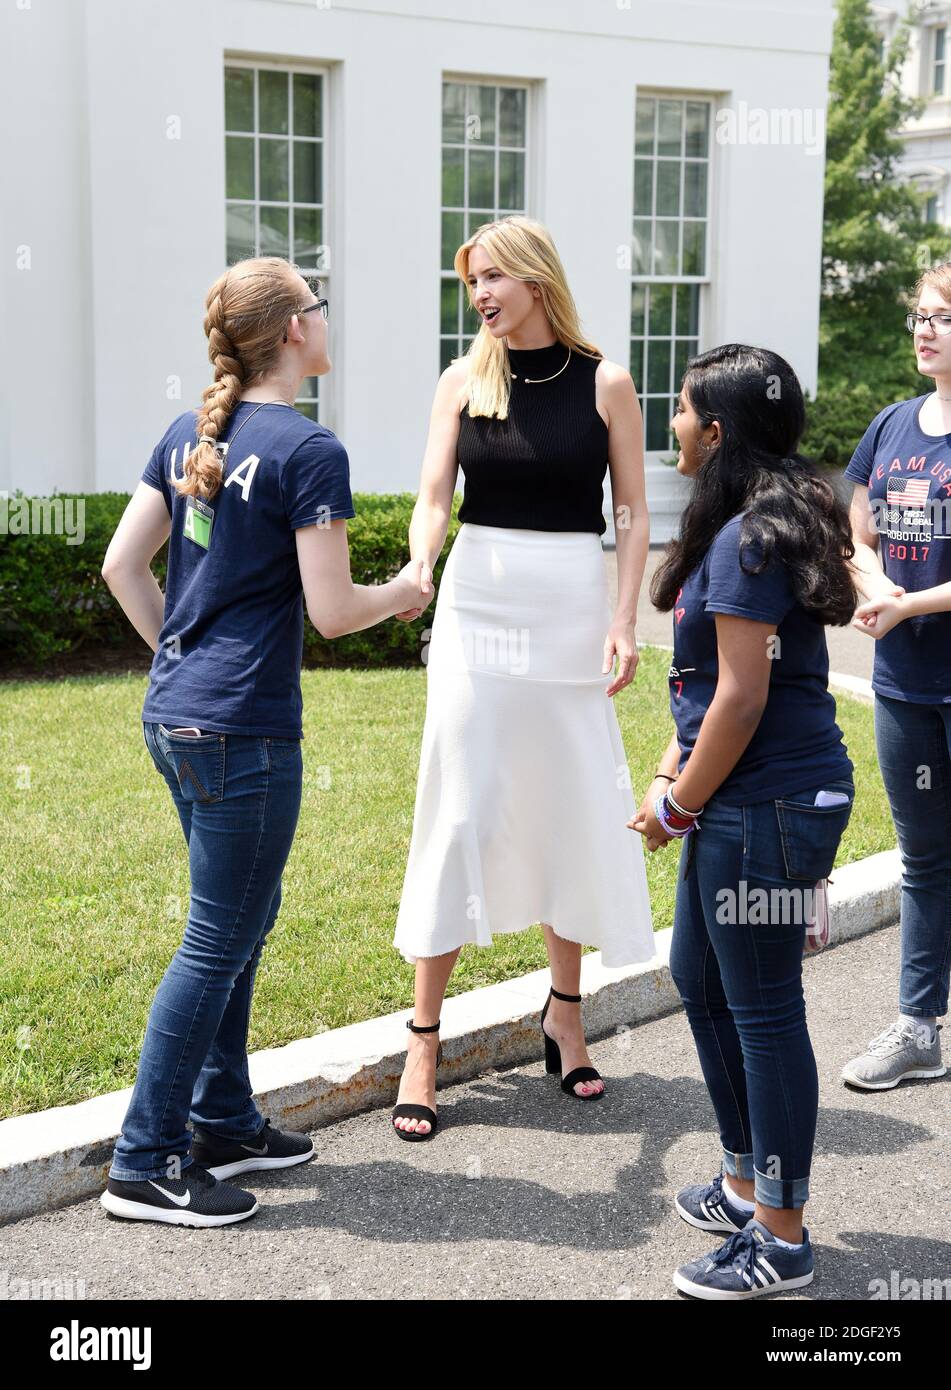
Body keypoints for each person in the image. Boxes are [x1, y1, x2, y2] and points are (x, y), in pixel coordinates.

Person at [98, 257, 429, 1226]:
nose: (329, 321)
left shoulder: (189, 432)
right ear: (293, 329)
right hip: (242, 728)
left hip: (178, 717)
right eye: (319, 307)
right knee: (217, 938)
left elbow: (124, 564)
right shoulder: (308, 449)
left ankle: (224, 1119)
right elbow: (332, 612)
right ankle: (144, 1161)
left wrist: (183, 661)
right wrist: (408, 591)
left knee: (237, 920)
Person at [389, 215, 656, 1140]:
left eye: (491, 277)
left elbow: (630, 513)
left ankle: (566, 1014)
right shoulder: (463, 381)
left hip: (572, 607)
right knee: (459, 803)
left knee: (569, 800)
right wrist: (422, 565)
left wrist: (625, 621)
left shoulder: (606, 382)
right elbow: (434, 499)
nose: (480, 297)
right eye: (469, 284)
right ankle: (422, 1037)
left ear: (537, 277)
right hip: (478, 607)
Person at [633, 344, 856, 1299]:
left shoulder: (746, 539)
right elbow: (705, 697)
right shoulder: (742, 526)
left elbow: (740, 698)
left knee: (764, 1014)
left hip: (768, 805)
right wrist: (672, 770)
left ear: (715, 431)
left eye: (681, 411)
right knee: (699, 976)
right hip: (739, 796)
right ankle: (741, 1181)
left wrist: (676, 807)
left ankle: (782, 1235)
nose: (671, 424)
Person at [840, 263, 951, 1090]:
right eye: (920, 314)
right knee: (922, 861)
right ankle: (918, 1028)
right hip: (904, 686)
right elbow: (857, 524)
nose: (925, 328)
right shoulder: (890, 425)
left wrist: (905, 605)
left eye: (942, 317)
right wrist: (873, 582)